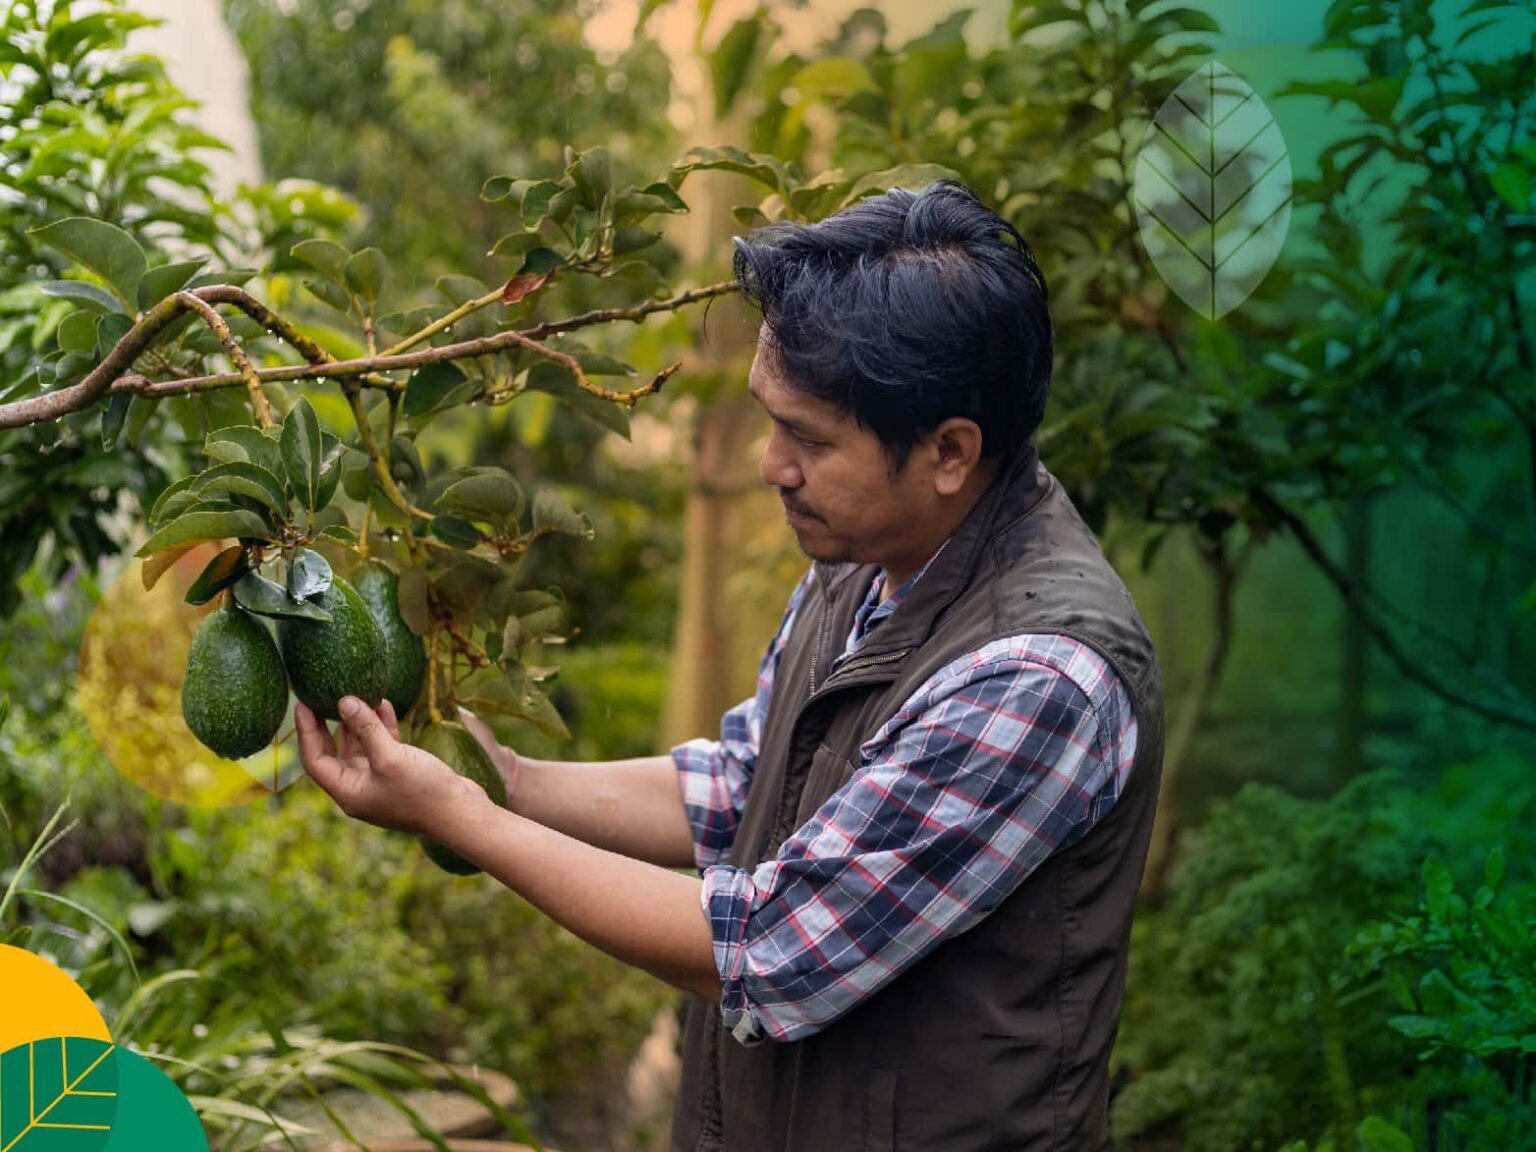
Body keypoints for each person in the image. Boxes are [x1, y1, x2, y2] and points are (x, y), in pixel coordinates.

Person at [295, 180, 1164, 1152]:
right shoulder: (871, 562)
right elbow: (745, 789)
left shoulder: (1040, 679)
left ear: (951, 452)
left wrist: (462, 820)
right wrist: (508, 782)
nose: (770, 465)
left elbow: (769, 950)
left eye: (810, 437)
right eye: (771, 418)